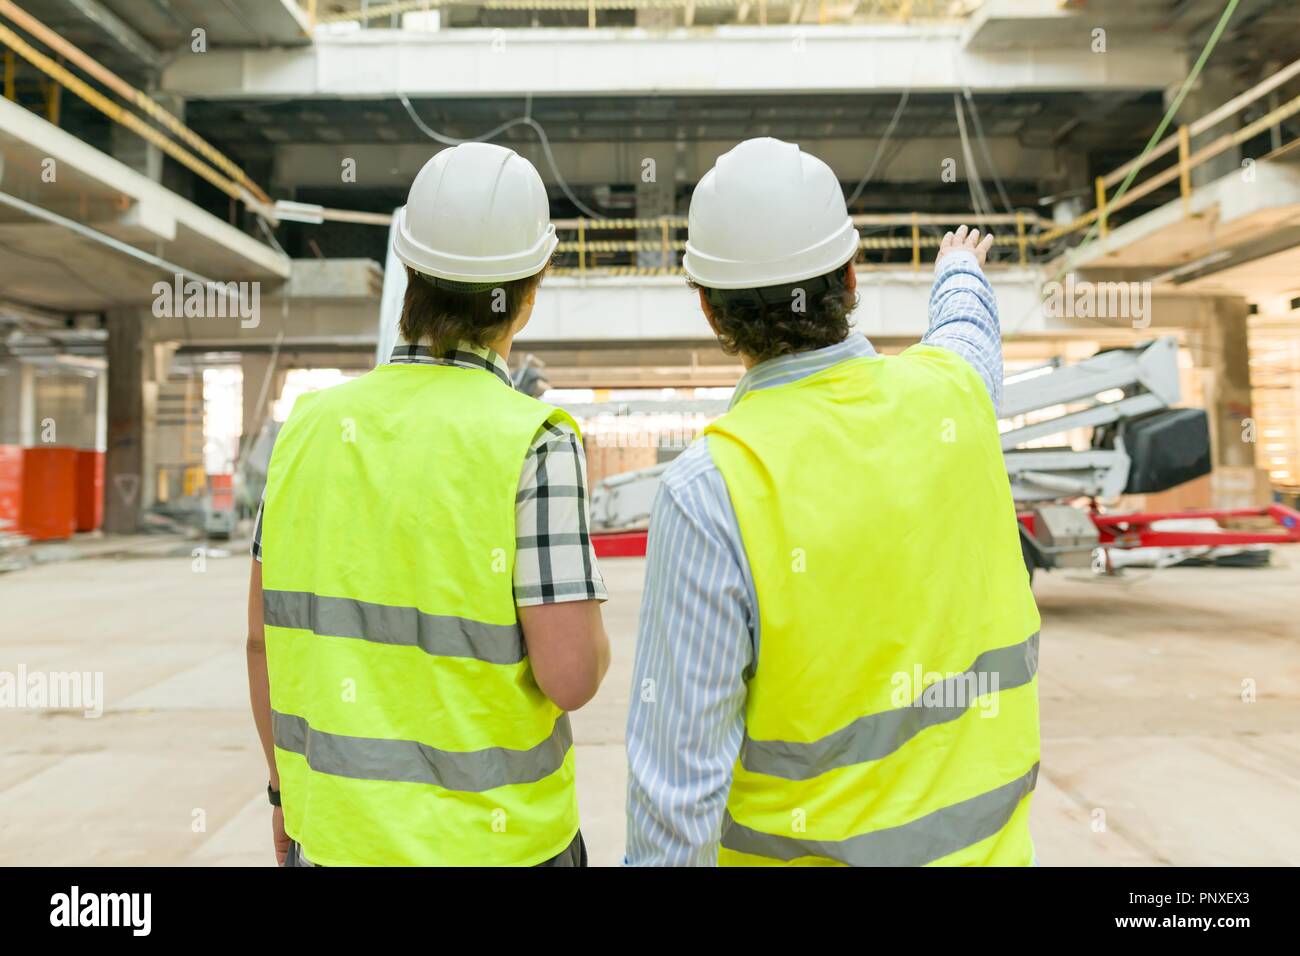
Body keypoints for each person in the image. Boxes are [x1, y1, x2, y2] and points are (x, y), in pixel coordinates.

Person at [625, 137, 1041, 866]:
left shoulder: (713, 486)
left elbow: (678, 791)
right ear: (851, 279)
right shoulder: (954, 398)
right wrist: (960, 271)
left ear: (710, 311)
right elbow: (967, 335)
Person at [246, 142, 610, 867]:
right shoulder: (532, 442)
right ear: (528, 293)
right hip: (499, 848)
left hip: (338, 842)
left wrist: (284, 794)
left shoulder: (306, 430)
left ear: (410, 273)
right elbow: (570, 676)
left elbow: (263, 643)